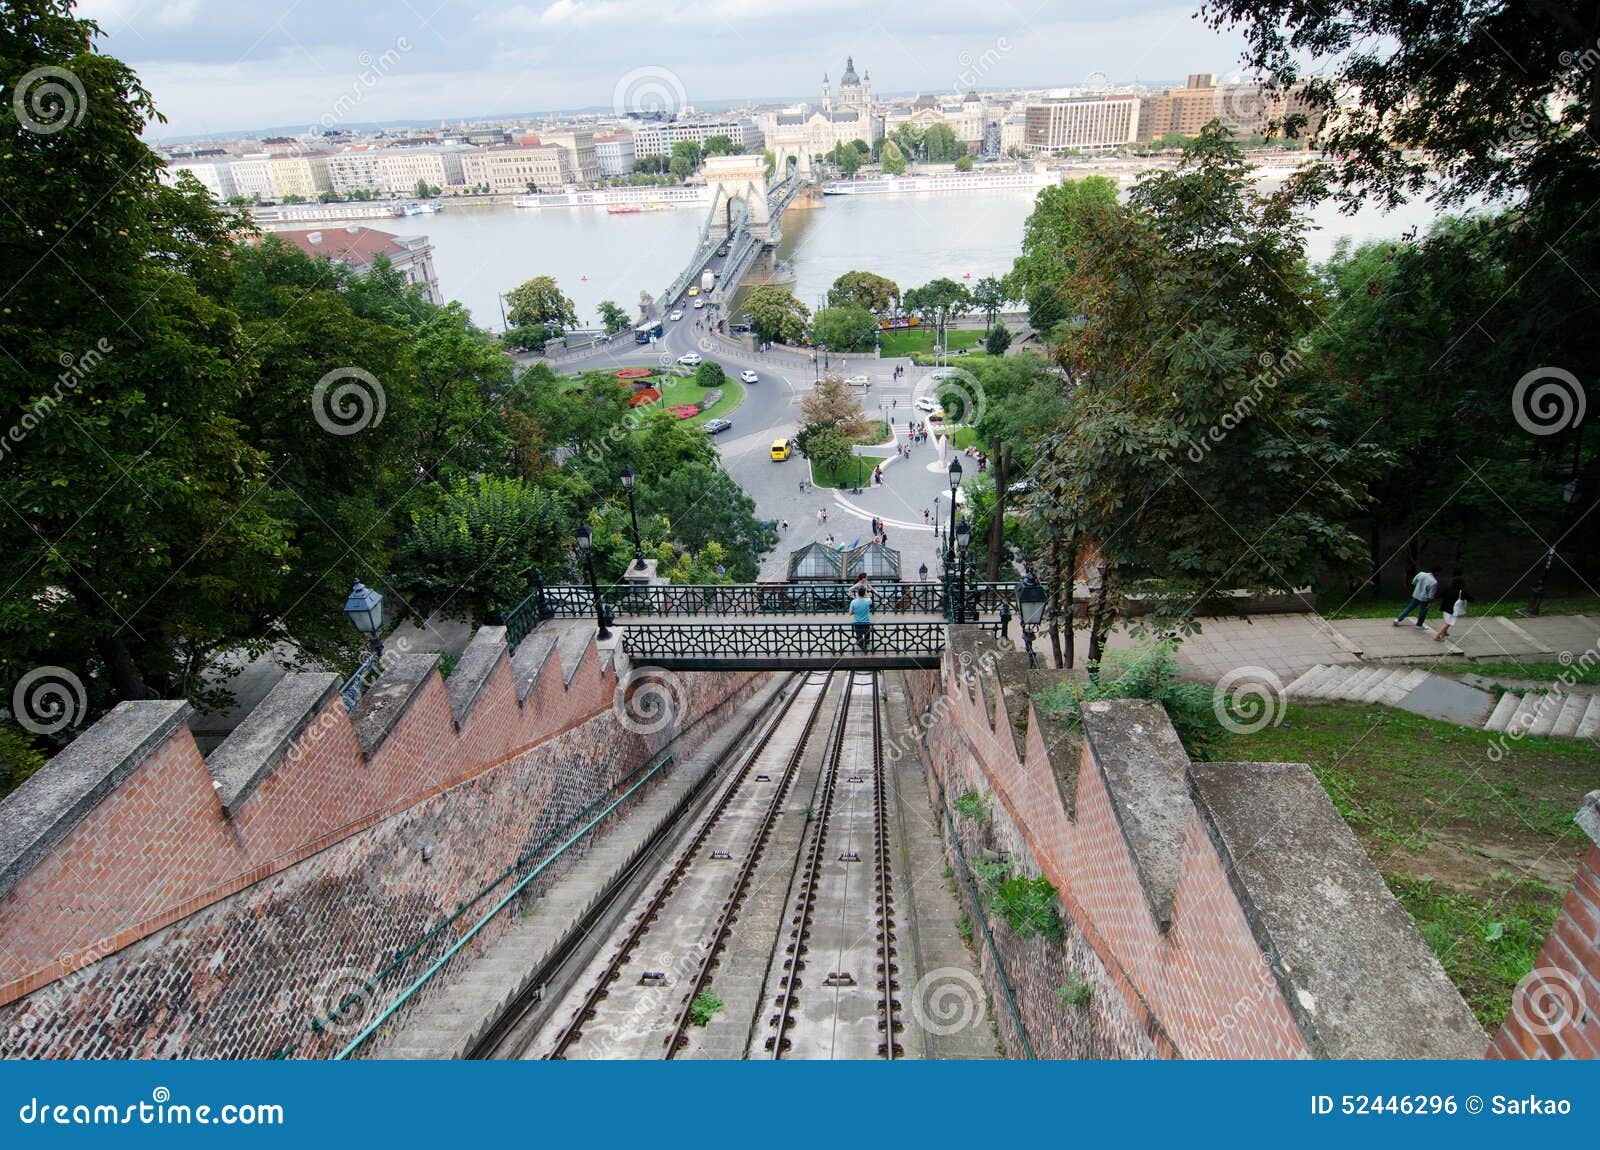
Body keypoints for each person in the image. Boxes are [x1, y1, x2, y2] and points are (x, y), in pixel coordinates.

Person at [850, 587, 873, 652]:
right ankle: (866, 643)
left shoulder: (853, 602)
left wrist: (856, 611)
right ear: (864, 594)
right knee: (867, 634)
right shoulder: (867, 601)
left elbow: (850, 613)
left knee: (859, 634)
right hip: (866, 621)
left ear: (857, 593)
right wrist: (866, 593)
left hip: (857, 622)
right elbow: (869, 599)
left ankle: (861, 645)